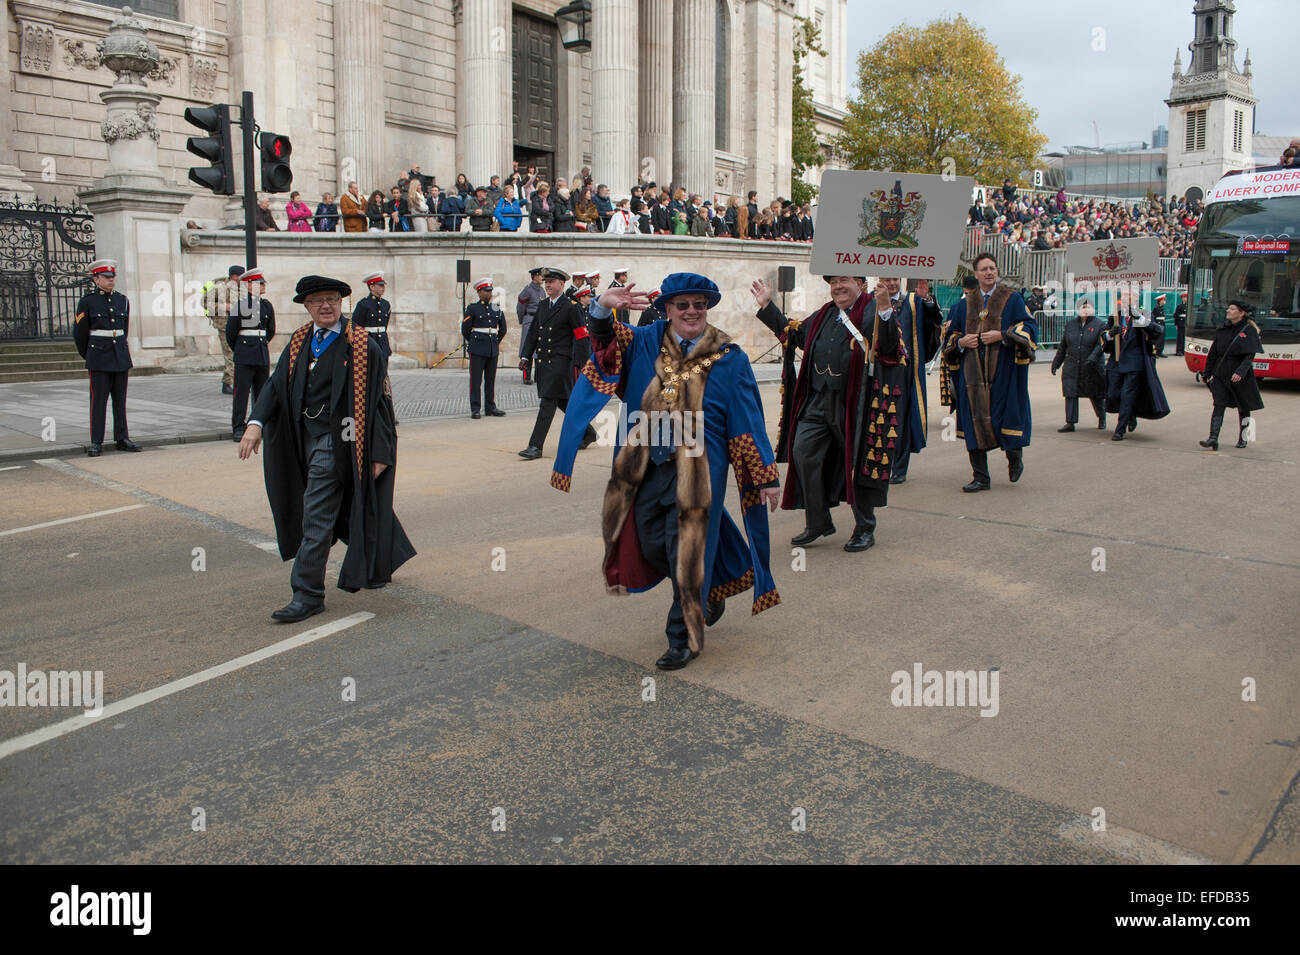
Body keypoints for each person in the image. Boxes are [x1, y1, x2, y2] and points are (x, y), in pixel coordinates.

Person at [548, 273, 781, 670]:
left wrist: (764, 476)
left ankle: (683, 637)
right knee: (652, 541)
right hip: (644, 466)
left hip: (699, 471)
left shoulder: (730, 357)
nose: (692, 312)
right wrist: (602, 305)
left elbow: (748, 418)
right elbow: (602, 341)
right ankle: (711, 593)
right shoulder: (643, 341)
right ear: (668, 309)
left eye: (699, 305)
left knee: (687, 552)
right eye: (683, 305)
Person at [238, 275, 415, 622]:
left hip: (341, 441)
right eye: (317, 300)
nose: (326, 306)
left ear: (342, 302)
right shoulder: (300, 340)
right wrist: (255, 424)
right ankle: (384, 559)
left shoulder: (363, 345)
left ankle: (307, 593)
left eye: (332, 299)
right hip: (300, 439)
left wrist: (380, 452)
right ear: (306, 307)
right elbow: (275, 386)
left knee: (315, 514)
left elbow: (381, 401)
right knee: (354, 505)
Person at [751, 274, 908, 551]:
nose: (837, 287)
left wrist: (885, 310)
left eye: (844, 280)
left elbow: (889, 348)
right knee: (802, 451)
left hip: (854, 403)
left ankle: (864, 527)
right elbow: (795, 335)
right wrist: (768, 306)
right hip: (817, 400)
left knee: (856, 461)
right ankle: (819, 521)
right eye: (834, 282)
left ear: (860, 284)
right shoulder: (824, 313)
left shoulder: (873, 308)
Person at [940, 253, 1037, 491]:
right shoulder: (962, 306)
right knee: (974, 423)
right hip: (971, 377)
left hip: (1004, 373)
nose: (989, 273)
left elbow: (1029, 326)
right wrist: (961, 343)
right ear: (975, 273)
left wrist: (1003, 335)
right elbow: (948, 337)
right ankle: (981, 477)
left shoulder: (1012, 300)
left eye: (992, 268)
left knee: (1007, 417)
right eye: (984, 269)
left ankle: (1015, 458)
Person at [517, 266, 597, 459]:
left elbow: (581, 337)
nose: (547, 285)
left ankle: (535, 446)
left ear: (562, 284)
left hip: (561, 363)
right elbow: (534, 333)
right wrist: (525, 356)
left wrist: (582, 364)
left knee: (547, 403)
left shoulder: (571, 307)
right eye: (546, 282)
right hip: (544, 363)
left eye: (551, 282)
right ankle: (588, 432)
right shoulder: (543, 305)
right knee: (566, 403)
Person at [73, 259, 141, 456]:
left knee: (120, 400)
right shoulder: (87, 302)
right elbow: (80, 334)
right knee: (99, 402)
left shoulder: (122, 300)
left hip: (119, 355)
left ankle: (122, 437)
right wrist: (91, 355)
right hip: (99, 357)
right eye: (106, 277)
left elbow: (124, 329)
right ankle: (96, 441)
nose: (111, 281)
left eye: (113, 277)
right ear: (96, 279)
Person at [1102, 292, 1170, 441]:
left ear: (1137, 299)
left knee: (1127, 396)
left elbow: (1156, 332)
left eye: (1131, 296)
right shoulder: (1115, 316)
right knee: (1112, 394)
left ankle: (1120, 429)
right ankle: (1130, 413)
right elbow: (1104, 339)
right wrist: (1110, 335)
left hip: (1134, 363)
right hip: (1116, 361)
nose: (1127, 299)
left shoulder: (1144, 314)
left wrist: (1139, 318)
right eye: (1125, 296)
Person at [1199, 300, 1263, 451]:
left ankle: (1244, 437)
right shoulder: (1222, 330)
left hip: (1240, 375)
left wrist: (1240, 372)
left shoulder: (1249, 330)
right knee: (1219, 404)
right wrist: (1207, 373)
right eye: (1228, 308)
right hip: (1221, 373)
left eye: (1232, 309)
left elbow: (1249, 356)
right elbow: (1213, 354)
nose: (1228, 310)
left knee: (1244, 406)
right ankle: (1213, 438)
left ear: (1241, 313)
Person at [226, 267, 276, 441]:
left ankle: (258, 423)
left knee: (262, 392)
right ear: (248, 286)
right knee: (241, 393)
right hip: (244, 354)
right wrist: (241, 349)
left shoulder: (266, 305)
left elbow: (270, 331)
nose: (262, 286)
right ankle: (238, 426)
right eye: (258, 283)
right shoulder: (239, 306)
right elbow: (231, 333)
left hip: (261, 352)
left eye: (263, 283)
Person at [1050, 296, 1107, 431]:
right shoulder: (1070, 325)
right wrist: (1056, 363)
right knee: (1071, 392)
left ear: (1093, 309)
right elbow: (1063, 347)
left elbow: (1101, 345)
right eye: (1082, 307)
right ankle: (1070, 422)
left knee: (1095, 394)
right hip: (1072, 365)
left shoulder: (1100, 325)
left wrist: (1093, 358)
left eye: (1088, 307)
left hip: (1091, 366)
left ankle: (1102, 418)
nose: (1085, 309)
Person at [462, 278, 508, 419]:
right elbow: (465, 330)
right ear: (479, 292)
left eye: (490, 291)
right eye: (486, 291)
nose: (489, 293)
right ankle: (475, 408)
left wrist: (494, 341)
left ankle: (490, 406)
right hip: (477, 348)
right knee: (476, 380)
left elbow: (503, 329)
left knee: (490, 379)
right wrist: (476, 341)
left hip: (492, 348)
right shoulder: (472, 308)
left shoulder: (496, 308)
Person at [204, 264, 242, 394]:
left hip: (240, 326)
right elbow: (206, 304)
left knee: (238, 355)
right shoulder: (219, 288)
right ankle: (228, 383)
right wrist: (223, 306)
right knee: (230, 355)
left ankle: (235, 383)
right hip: (225, 326)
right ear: (233, 276)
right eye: (239, 277)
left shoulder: (243, 287)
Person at [351, 271, 392, 357]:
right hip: (368, 341)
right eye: (380, 285)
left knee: (383, 368)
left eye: (383, 285)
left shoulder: (386, 304)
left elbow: (385, 324)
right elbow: (356, 325)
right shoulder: (363, 304)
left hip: (383, 343)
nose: (383, 288)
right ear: (372, 287)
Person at [517, 267, 545, 385]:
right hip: (530, 319)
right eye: (539, 276)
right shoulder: (527, 290)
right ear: (534, 277)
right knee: (527, 349)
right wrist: (523, 319)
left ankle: (538, 376)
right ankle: (526, 376)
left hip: (540, 320)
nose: (541, 278)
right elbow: (520, 307)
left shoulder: (542, 290)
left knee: (539, 350)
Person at [1173, 291, 1188, 355]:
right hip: (1181, 323)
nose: (1185, 299)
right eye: (1184, 297)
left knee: (1185, 338)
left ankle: (1183, 350)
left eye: (1186, 297)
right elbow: (1175, 315)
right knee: (1180, 338)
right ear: (1182, 298)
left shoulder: (1188, 306)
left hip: (1186, 323)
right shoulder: (1180, 306)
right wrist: (1177, 323)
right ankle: (1179, 351)